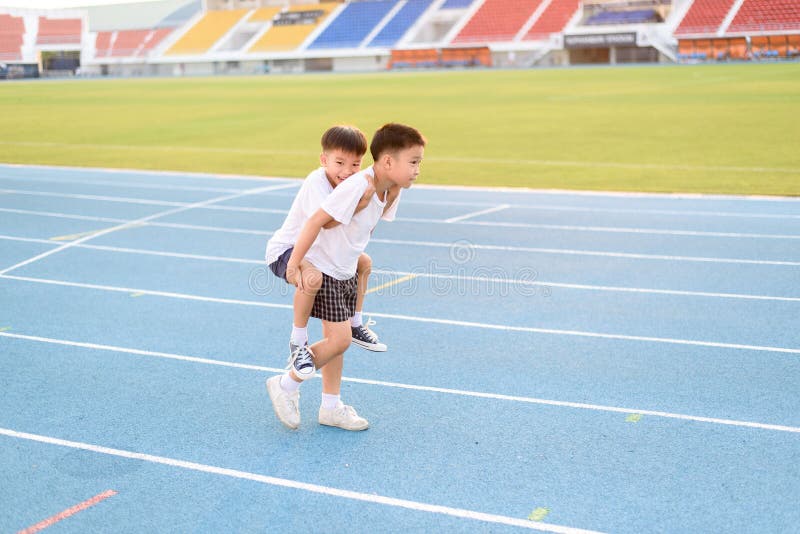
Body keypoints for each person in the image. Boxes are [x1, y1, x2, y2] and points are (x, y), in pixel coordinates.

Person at [266, 123, 425, 431]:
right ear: (389, 162)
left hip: (338, 263)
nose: (418, 169)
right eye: (414, 162)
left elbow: (365, 228)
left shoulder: (391, 189)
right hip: (308, 257)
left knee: (338, 337)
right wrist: (295, 263)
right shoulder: (353, 186)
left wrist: (354, 258)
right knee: (338, 341)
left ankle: (330, 405)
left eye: (420, 162)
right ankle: (286, 381)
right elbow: (318, 223)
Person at [265, 125, 387, 377]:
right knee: (313, 278)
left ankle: (355, 323)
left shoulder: (356, 183)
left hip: (320, 252)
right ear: (324, 160)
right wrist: (363, 201)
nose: (347, 171)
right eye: (339, 162)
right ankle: (298, 342)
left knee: (364, 262)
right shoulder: (316, 182)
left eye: (355, 164)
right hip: (289, 249)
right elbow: (328, 222)